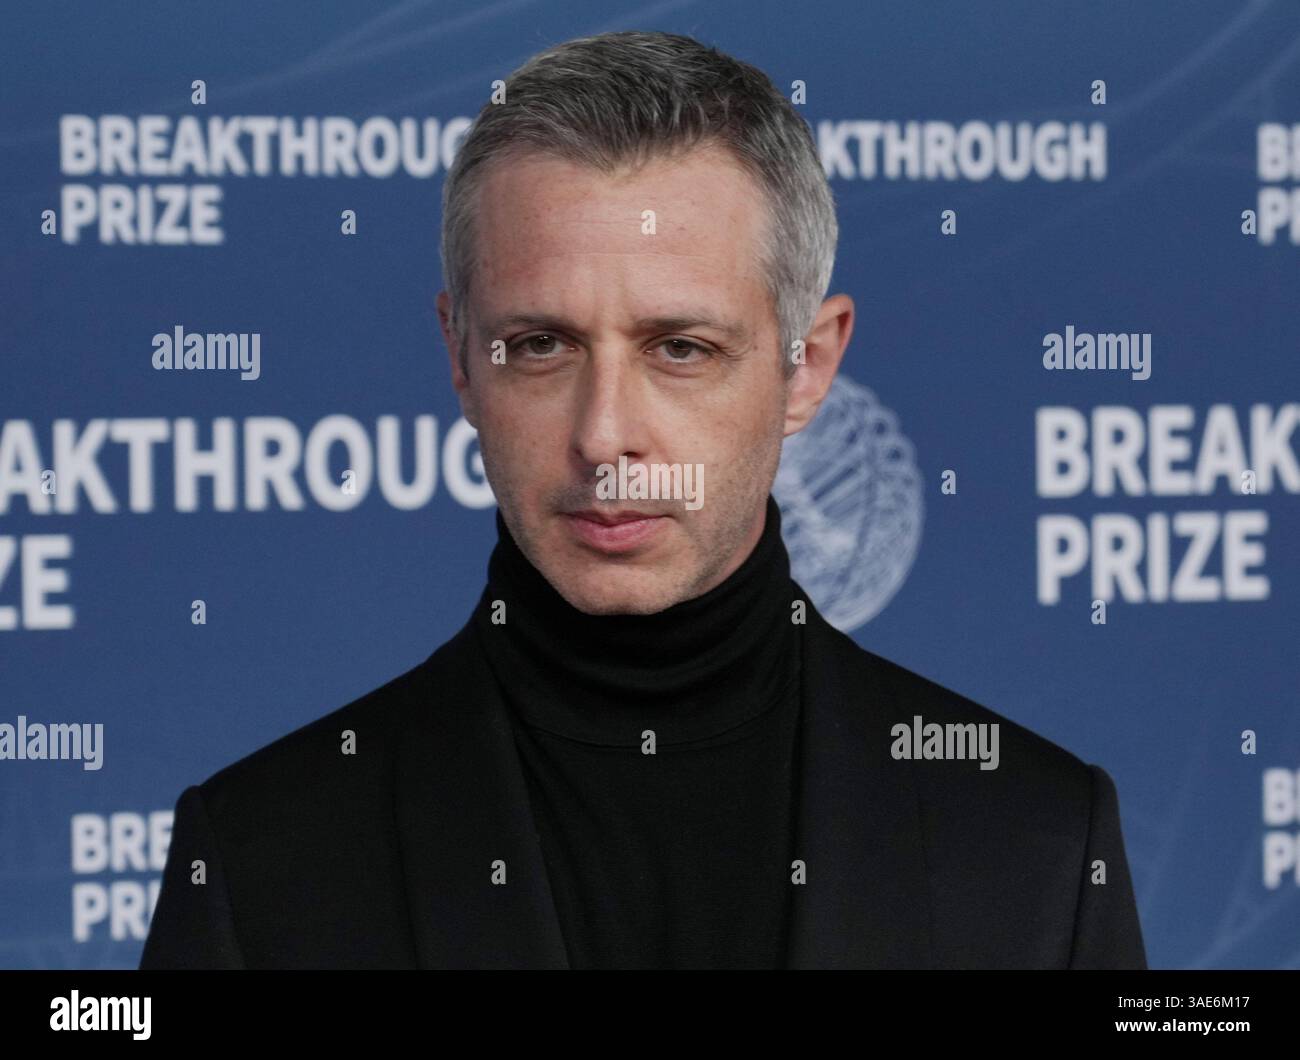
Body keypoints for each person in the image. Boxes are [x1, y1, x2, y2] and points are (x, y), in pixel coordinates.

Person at [139, 29, 1146, 970]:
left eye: (680, 348)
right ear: (458, 357)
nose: (602, 433)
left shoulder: (1040, 843)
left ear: (808, 366)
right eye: (540, 346)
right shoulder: (258, 859)